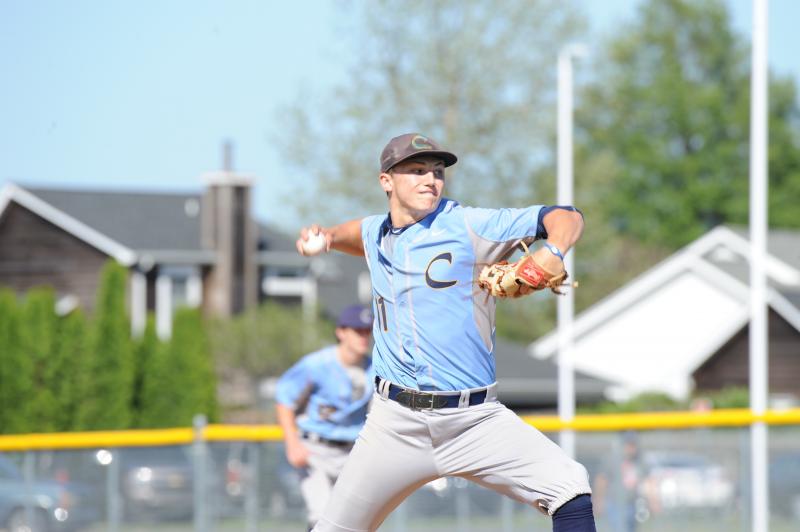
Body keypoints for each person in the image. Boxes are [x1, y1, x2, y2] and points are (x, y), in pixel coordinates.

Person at [296, 133, 596, 531]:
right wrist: (330, 238)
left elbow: (566, 216)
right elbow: (358, 233)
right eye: (416, 170)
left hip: (474, 420)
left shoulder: (469, 225)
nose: (430, 180)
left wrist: (553, 250)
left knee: (569, 487)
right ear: (386, 181)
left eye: (437, 172)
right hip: (394, 424)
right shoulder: (377, 233)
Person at [275, 304, 375, 531]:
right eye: (357, 330)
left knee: (355, 520)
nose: (363, 337)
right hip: (315, 450)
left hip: (352, 453)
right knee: (321, 514)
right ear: (341, 332)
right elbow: (284, 399)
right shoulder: (317, 364)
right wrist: (292, 444)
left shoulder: (374, 368)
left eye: (367, 331)